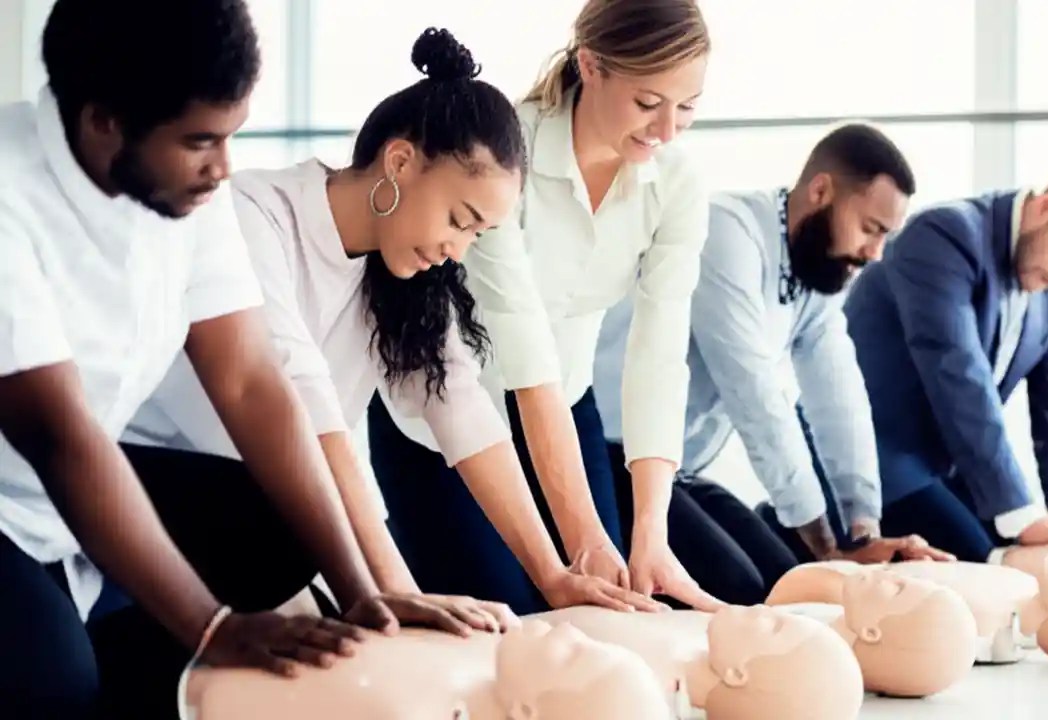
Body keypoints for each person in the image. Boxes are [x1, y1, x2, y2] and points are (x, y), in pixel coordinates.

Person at [0, 3, 504, 718]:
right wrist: (213, 626)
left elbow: (250, 382)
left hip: (79, 470)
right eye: (201, 141)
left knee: (283, 536)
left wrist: (367, 594)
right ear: (104, 121)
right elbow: (59, 437)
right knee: (53, 683)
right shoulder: (9, 196)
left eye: (230, 136)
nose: (223, 169)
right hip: (18, 490)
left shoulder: (188, 188)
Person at [125, 28, 658, 618]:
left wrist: (555, 576)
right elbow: (306, 411)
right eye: (458, 219)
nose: (457, 250)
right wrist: (397, 593)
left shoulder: (401, 272)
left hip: (266, 512)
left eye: (476, 234)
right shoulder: (254, 215)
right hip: (156, 484)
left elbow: (463, 410)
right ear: (400, 161)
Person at [368, 0, 722, 611]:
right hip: (447, 422)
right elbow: (525, 350)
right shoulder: (505, 151)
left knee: (606, 611)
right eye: (648, 102)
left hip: (567, 408)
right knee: (510, 621)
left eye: (687, 107)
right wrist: (584, 539)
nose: (666, 130)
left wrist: (651, 531)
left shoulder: (677, 183)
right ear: (591, 66)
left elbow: (660, 357)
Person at [594, 124, 953, 605]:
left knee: (788, 578)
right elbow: (755, 398)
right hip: (611, 454)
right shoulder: (726, 232)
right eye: (871, 229)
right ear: (821, 191)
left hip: (677, 472)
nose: (875, 253)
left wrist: (863, 531)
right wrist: (826, 548)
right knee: (744, 587)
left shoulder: (819, 268)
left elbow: (839, 397)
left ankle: (783, 533)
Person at [844, 163, 1048, 562]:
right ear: (1046, 207)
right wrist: (1022, 517)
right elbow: (959, 375)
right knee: (990, 564)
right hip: (872, 458)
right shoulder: (943, 236)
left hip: (948, 469)